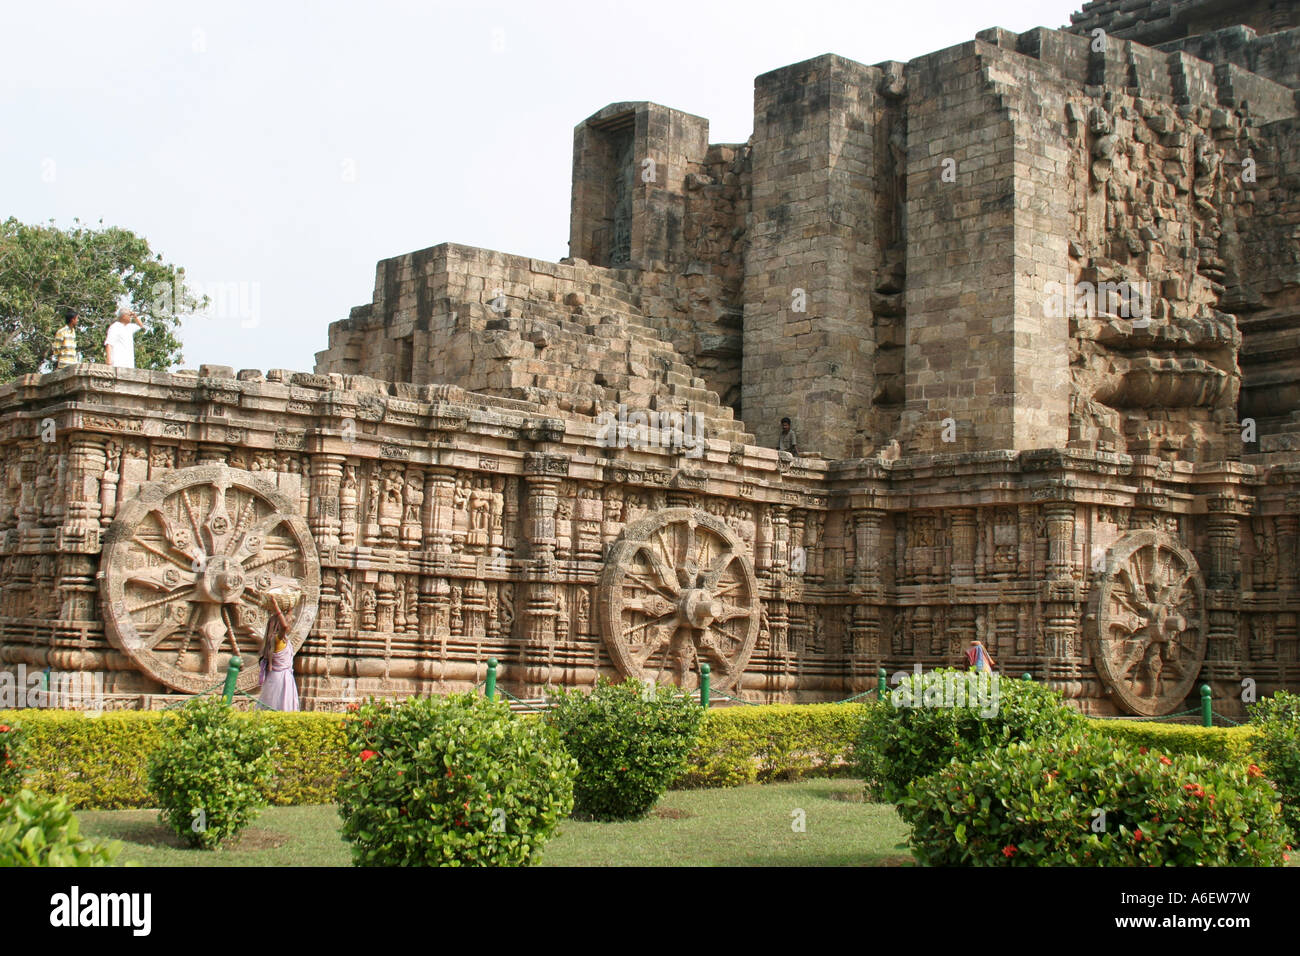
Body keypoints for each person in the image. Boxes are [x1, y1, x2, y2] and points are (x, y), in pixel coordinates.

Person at [258, 592, 300, 711]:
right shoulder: (277, 639)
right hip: (280, 679)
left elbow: (287, 621)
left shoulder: (279, 640)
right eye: (289, 622)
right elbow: (285, 626)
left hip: (279, 677)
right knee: (279, 706)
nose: (290, 624)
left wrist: (291, 604)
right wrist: (276, 607)